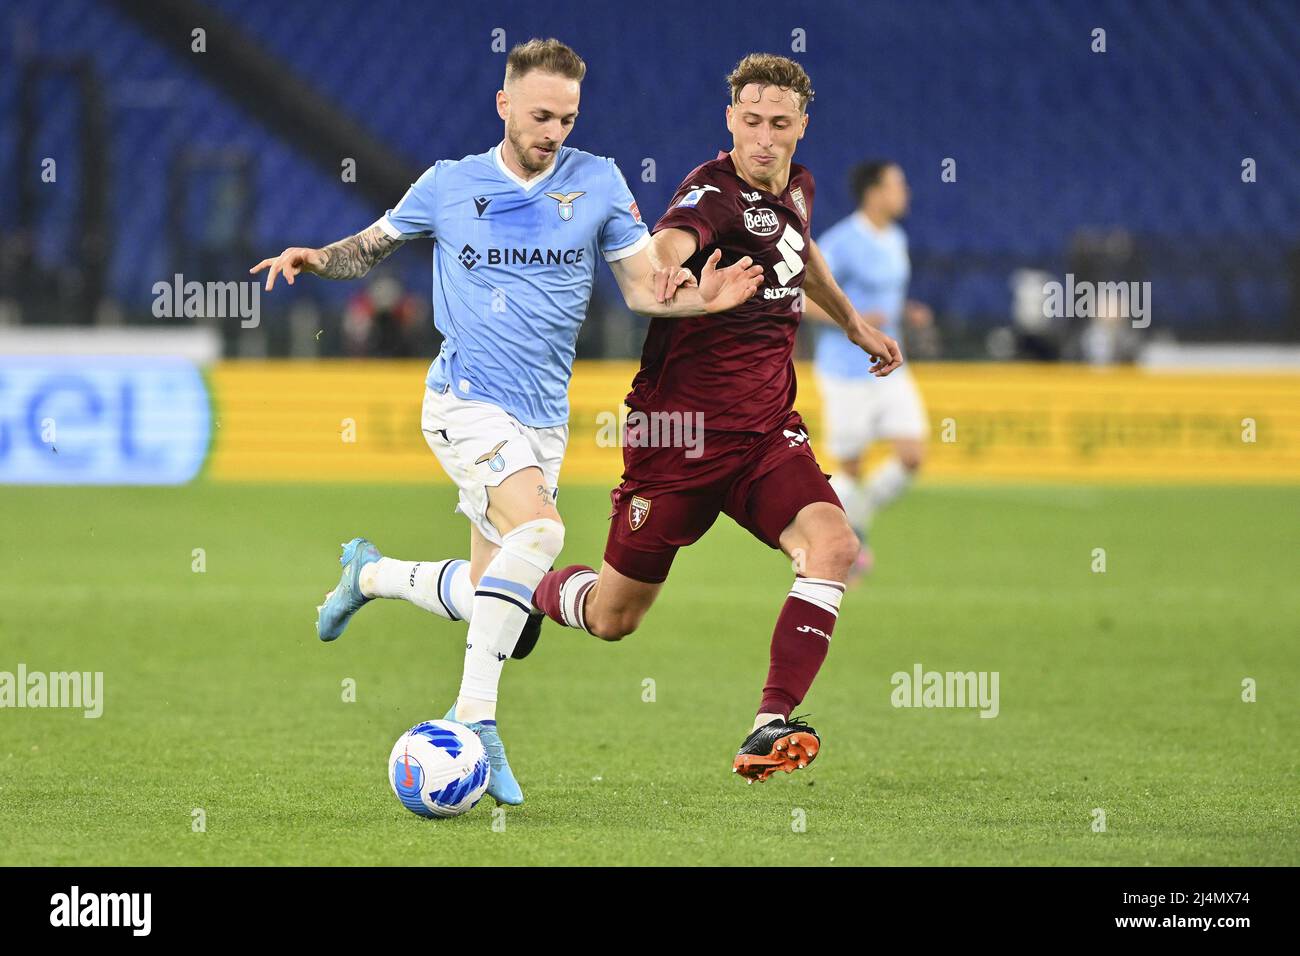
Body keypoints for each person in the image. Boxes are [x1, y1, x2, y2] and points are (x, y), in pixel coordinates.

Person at [249, 38, 763, 805]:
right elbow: (373, 246)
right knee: (545, 535)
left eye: (566, 117)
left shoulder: (597, 182)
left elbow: (641, 288)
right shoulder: (451, 184)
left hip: (541, 419)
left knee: (501, 597)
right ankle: (475, 722)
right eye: (539, 114)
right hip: (464, 400)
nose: (552, 130)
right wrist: (317, 259)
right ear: (504, 105)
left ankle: (373, 573)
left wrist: (701, 300)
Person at [529, 53, 902, 782]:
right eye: (751, 122)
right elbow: (670, 242)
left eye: (779, 125)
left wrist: (852, 323)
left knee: (832, 546)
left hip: (764, 433)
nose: (764, 138)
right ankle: (526, 589)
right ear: (730, 119)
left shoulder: (798, 185)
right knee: (613, 618)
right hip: (678, 442)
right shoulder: (711, 194)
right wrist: (667, 270)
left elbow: (801, 250)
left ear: (801, 126)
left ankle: (769, 725)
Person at [806, 161, 932, 579]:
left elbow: (885, 302)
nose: (906, 192)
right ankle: (836, 550)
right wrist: (853, 321)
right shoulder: (841, 242)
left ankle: (855, 523)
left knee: (912, 454)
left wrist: (904, 312)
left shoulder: (896, 239)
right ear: (874, 193)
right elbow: (800, 300)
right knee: (850, 468)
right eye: (898, 185)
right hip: (846, 371)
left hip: (892, 366)